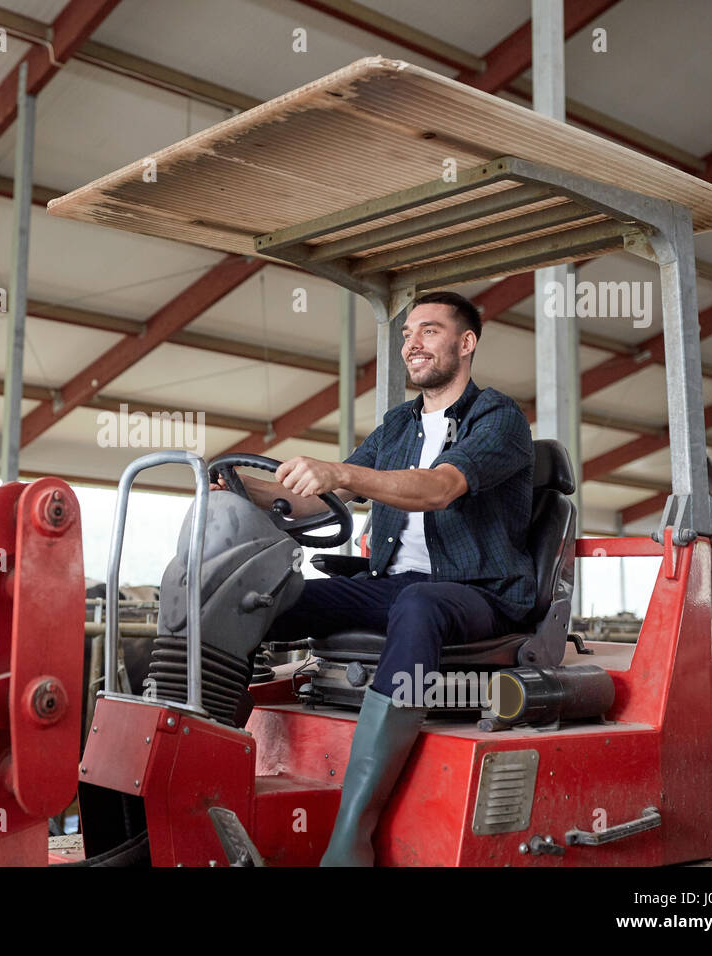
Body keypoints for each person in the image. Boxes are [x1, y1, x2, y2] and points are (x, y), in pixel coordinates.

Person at [213, 289, 536, 866]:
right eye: (408, 333)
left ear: (466, 344)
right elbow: (325, 494)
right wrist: (241, 484)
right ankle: (209, 779)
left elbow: (439, 488)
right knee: (256, 602)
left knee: (419, 605)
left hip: (478, 592)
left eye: (429, 331)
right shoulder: (398, 424)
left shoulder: (499, 418)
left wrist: (341, 471)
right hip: (393, 583)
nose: (413, 343)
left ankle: (352, 832)